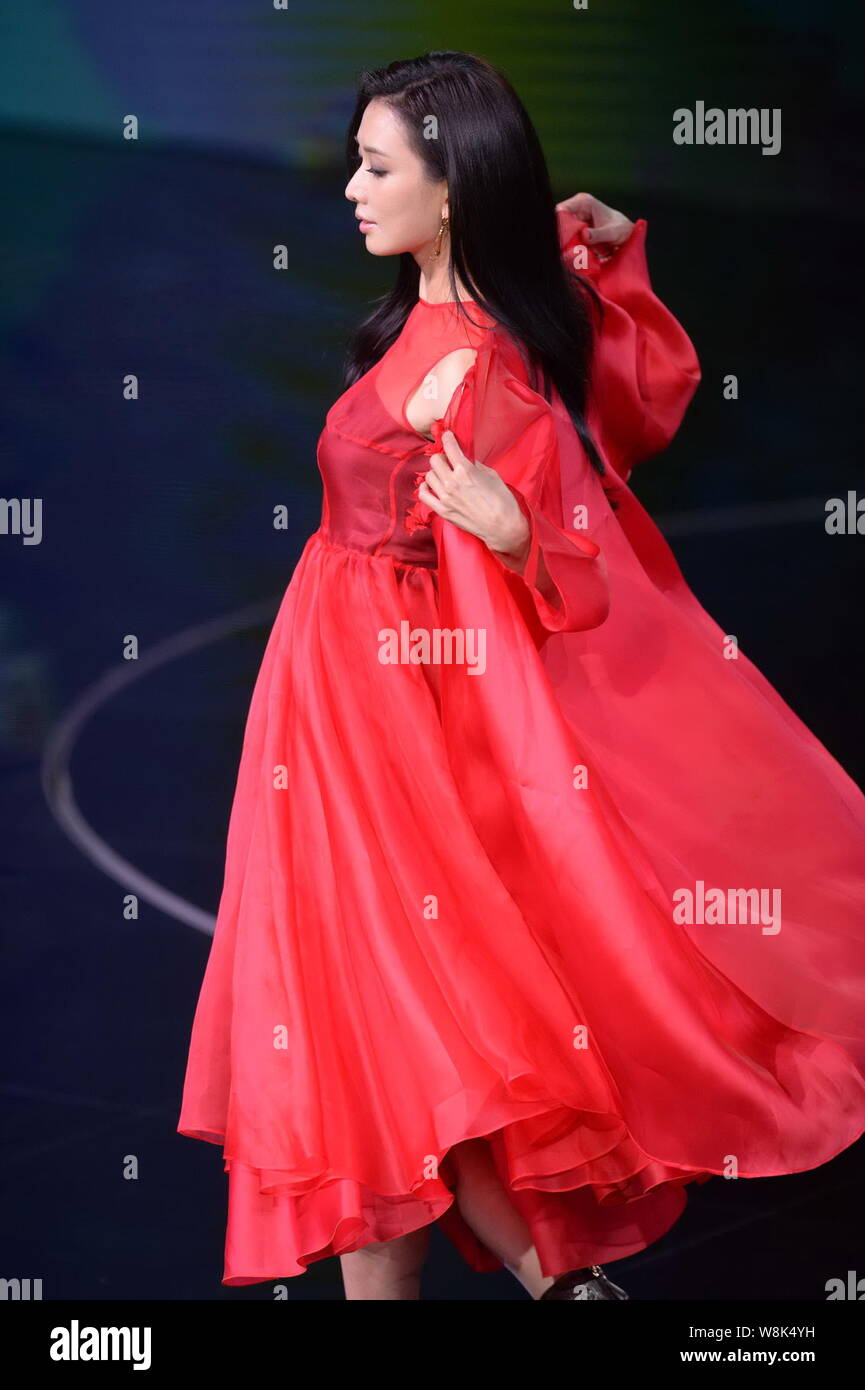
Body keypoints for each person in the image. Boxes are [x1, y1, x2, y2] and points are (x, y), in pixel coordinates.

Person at [178, 50, 865, 1301]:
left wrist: (514, 533)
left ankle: (559, 1289)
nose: (350, 189)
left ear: (449, 193)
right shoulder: (449, 309)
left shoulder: (476, 363)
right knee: (371, 1052)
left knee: (369, 1049)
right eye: (357, 159)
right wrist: (580, 244)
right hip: (338, 700)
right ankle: (558, 1290)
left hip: (380, 726)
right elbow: (558, 302)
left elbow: (581, 565)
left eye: (378, 168)